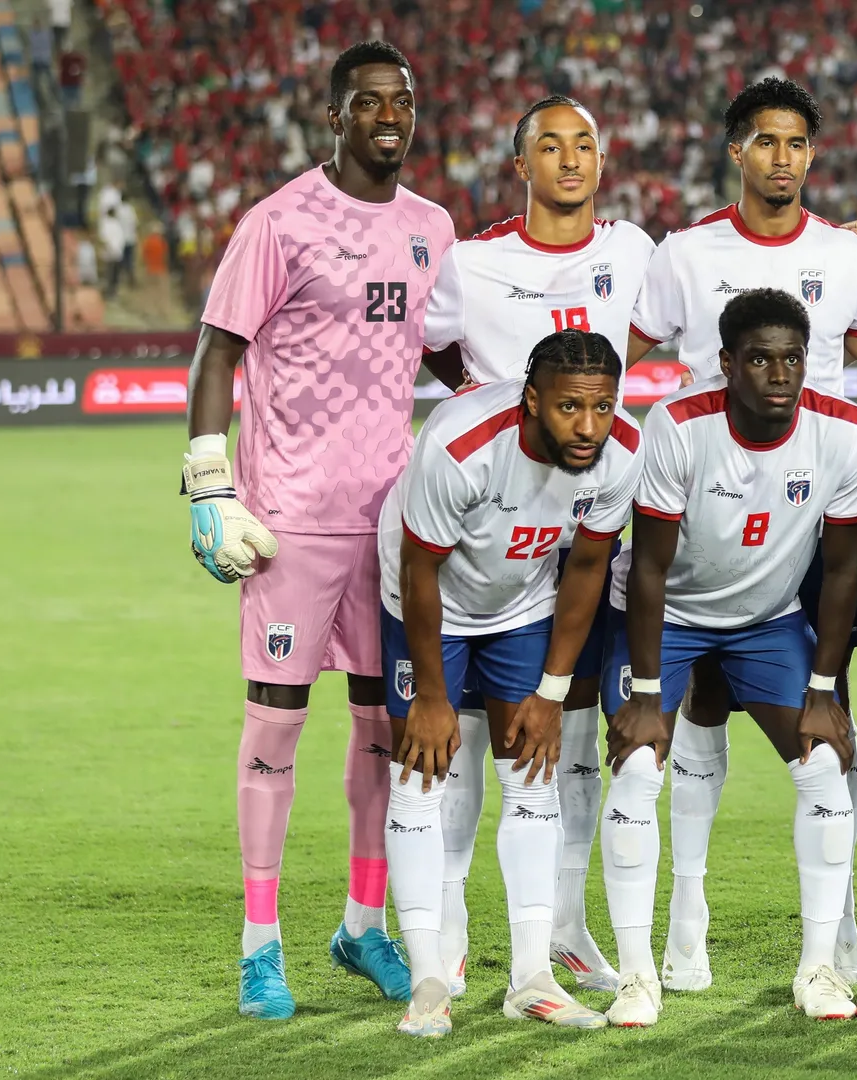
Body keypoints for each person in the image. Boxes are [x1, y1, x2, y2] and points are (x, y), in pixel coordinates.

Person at [182, 41, 455, 1021]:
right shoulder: (279, 221)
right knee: (276, 724)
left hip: (392, 524)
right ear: (334, 118)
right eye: (368, 102)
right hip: (290, 522)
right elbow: (217, 351)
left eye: (402, 101)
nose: (389, 116)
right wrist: (209, 482)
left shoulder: (432, 228)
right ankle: (260, 947)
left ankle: (362, 926)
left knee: (383, 726)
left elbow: (450, 357)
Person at [625, 77, 857, 993]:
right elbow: (612, 357)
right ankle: (685, 924)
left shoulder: (847, 256)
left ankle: (840, 930)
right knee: (696, 709)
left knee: (830, 722)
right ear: (737, 150)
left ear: (812, 154)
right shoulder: (685, 253)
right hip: (702, 493)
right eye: (766, 142)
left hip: (804, 510)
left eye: (798, 143)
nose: (784, 158)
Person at [419, 93, 656, 998]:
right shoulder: (473, 261)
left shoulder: (633, 251)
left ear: (602, 160)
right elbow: (436, 350)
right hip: (494, 514)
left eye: (583, 144)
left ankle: (563, 923)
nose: (568, 159)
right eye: (549, 147)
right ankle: (449, 927)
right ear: (521, 165)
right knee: (469, 730)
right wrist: (488, 404)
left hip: (585, 510)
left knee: (570, 726)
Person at [600, 288, 857, 1024]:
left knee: (824, 763)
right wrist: (647, 695)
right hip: (667, 616)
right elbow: (649, 568)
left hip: (767, 621)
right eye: (759, 360)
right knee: (636, 767)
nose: (779, 375)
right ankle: (638, 976)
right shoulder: (678, 424)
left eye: (793, 359)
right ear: (725, 363)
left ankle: (819, 969)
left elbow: (841, 572)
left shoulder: (846, 430)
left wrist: (824, 690)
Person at [376, 329, 640, 1036]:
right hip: (424, 598)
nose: (588, 427)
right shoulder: (460, 445)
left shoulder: (621, 452)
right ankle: (428, 980)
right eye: (568, 408)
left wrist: (552, 694)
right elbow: (419, 570)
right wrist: (432, 697)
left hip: (521, 604)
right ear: (531, 400)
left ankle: (531, 979)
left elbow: (587, 567)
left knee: (531, 776)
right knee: (421, 775)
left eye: (603, 407)